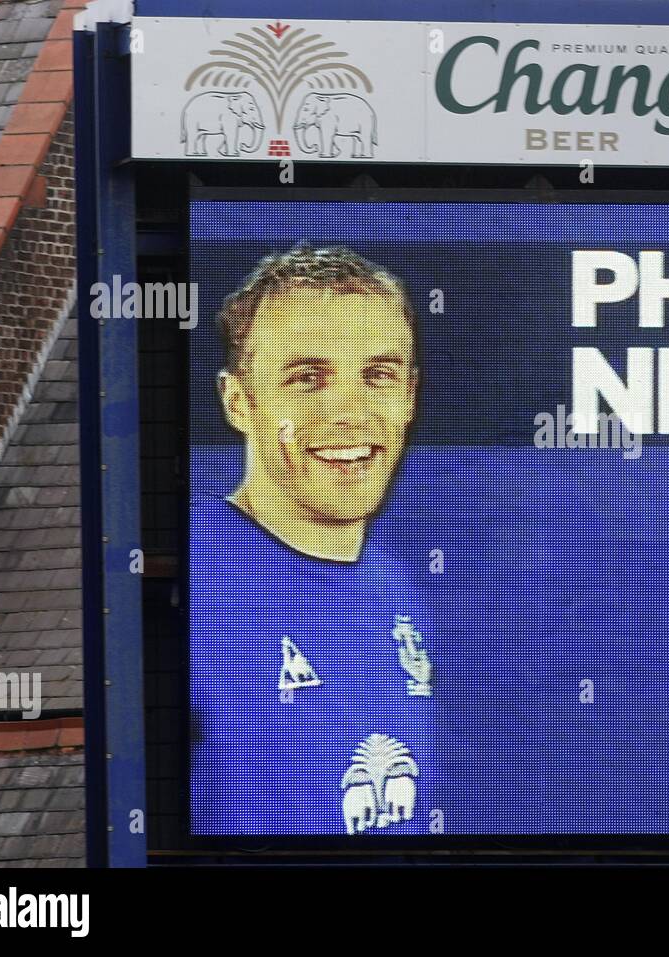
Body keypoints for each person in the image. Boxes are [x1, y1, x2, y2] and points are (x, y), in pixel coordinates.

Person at [188, 245, 437, 837]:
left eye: (379, 376)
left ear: (409, 396)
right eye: (307, 379)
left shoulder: (395, 582)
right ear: (239, 402)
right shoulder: (196, 574)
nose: (349, 414)